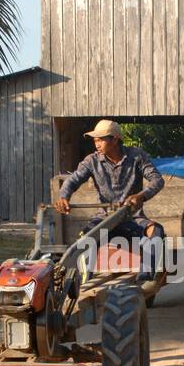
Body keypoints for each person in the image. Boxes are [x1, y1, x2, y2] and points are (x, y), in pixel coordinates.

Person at [55, 119, 165, 285]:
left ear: (114, 139)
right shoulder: (91, 161)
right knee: (85, 240)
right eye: (95, 140)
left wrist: (141, 196)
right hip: (104, 219)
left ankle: (145, 278)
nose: (96, 144)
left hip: (132, 218)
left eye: (101, 140)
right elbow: (73, 180)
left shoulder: (136, 156)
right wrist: (64, 196)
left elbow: (157, 180)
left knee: (156, 231)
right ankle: (83, 283)